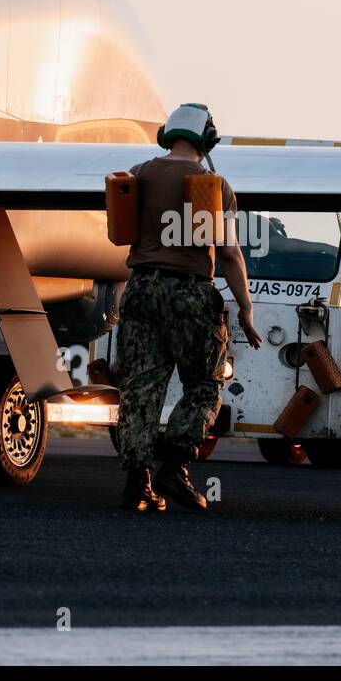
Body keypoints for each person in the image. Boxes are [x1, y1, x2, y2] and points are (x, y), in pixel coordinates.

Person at [114, 103, 263, 512]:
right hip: (190, 293)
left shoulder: (137, 174)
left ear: (167, 133)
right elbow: (229, 253)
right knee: (203, 383)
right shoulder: (212, 185)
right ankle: (174, 467)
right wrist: (246, 308)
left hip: (141, 289)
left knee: (140, 387)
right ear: (208, 139)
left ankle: (137, 484)